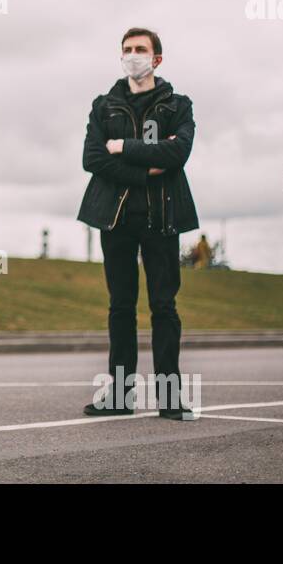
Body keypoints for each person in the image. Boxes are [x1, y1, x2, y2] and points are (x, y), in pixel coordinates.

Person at [76, 27, 199, 420]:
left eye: (141, 49)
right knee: (120, 306)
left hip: (162, 217)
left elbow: (178, 152)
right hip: (115, 217)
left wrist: (125, 147)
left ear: (156, 59)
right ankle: (119, 396)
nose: (133, 55)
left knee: (164, 306)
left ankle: (169, 398)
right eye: (127, 49)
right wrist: (147, 170)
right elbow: (93, 159)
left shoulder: (177, 104)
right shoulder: (104, 105)